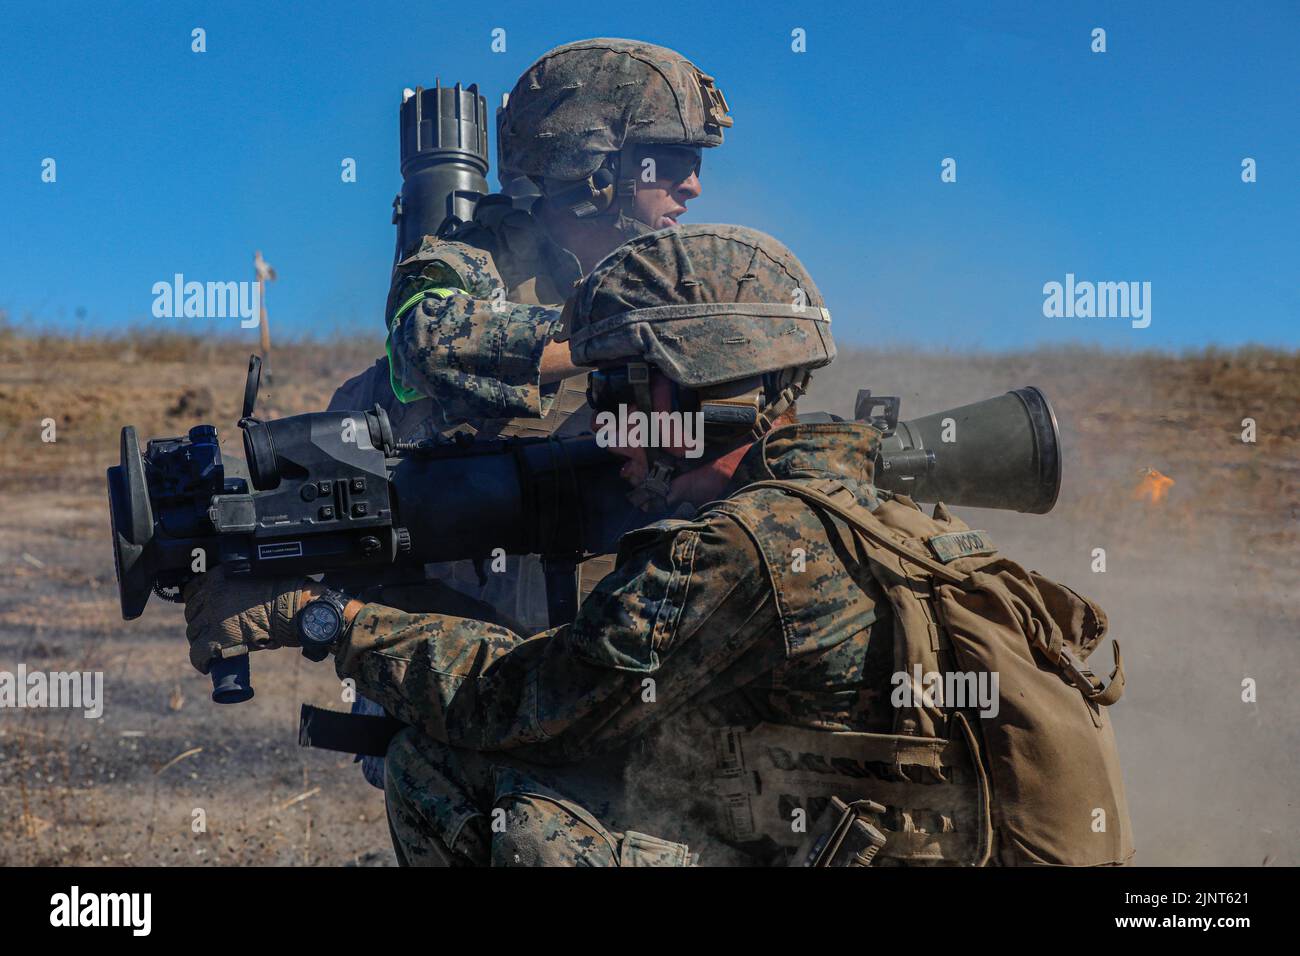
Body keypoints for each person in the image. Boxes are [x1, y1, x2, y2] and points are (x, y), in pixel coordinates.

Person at [186, 225, 1132, 866]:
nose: (605, 427)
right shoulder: (877, 499)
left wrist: (332, 618)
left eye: (625, 394)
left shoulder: (741, 548)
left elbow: (520, 705)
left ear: (711, 394)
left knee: (448, 772)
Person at [324, 39, 733, 784]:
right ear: (595, 167)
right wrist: (603, 344)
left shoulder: (667, 275)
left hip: (617, 645)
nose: (694, 188)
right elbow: (426, 344)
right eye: (671, 162)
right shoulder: (470, 260)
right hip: (477, 653)